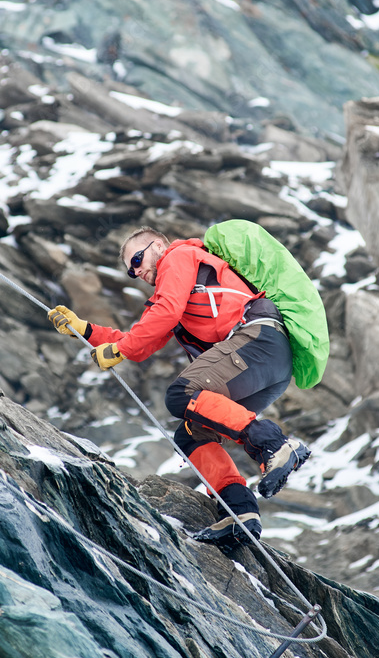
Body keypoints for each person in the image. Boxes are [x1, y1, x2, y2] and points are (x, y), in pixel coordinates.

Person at [48, 227, 310, 555]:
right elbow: (143, 338)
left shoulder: (178, 257)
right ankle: (239, 513)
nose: (137, 271)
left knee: (182, 393)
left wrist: (120, 350)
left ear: (158, 245)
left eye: (139, 259)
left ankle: (275, 445)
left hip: (257, 340)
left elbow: (162, 315)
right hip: (264, 364)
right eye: (131, 270)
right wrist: (84, 330)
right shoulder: (179, 292)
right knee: (190, 435)